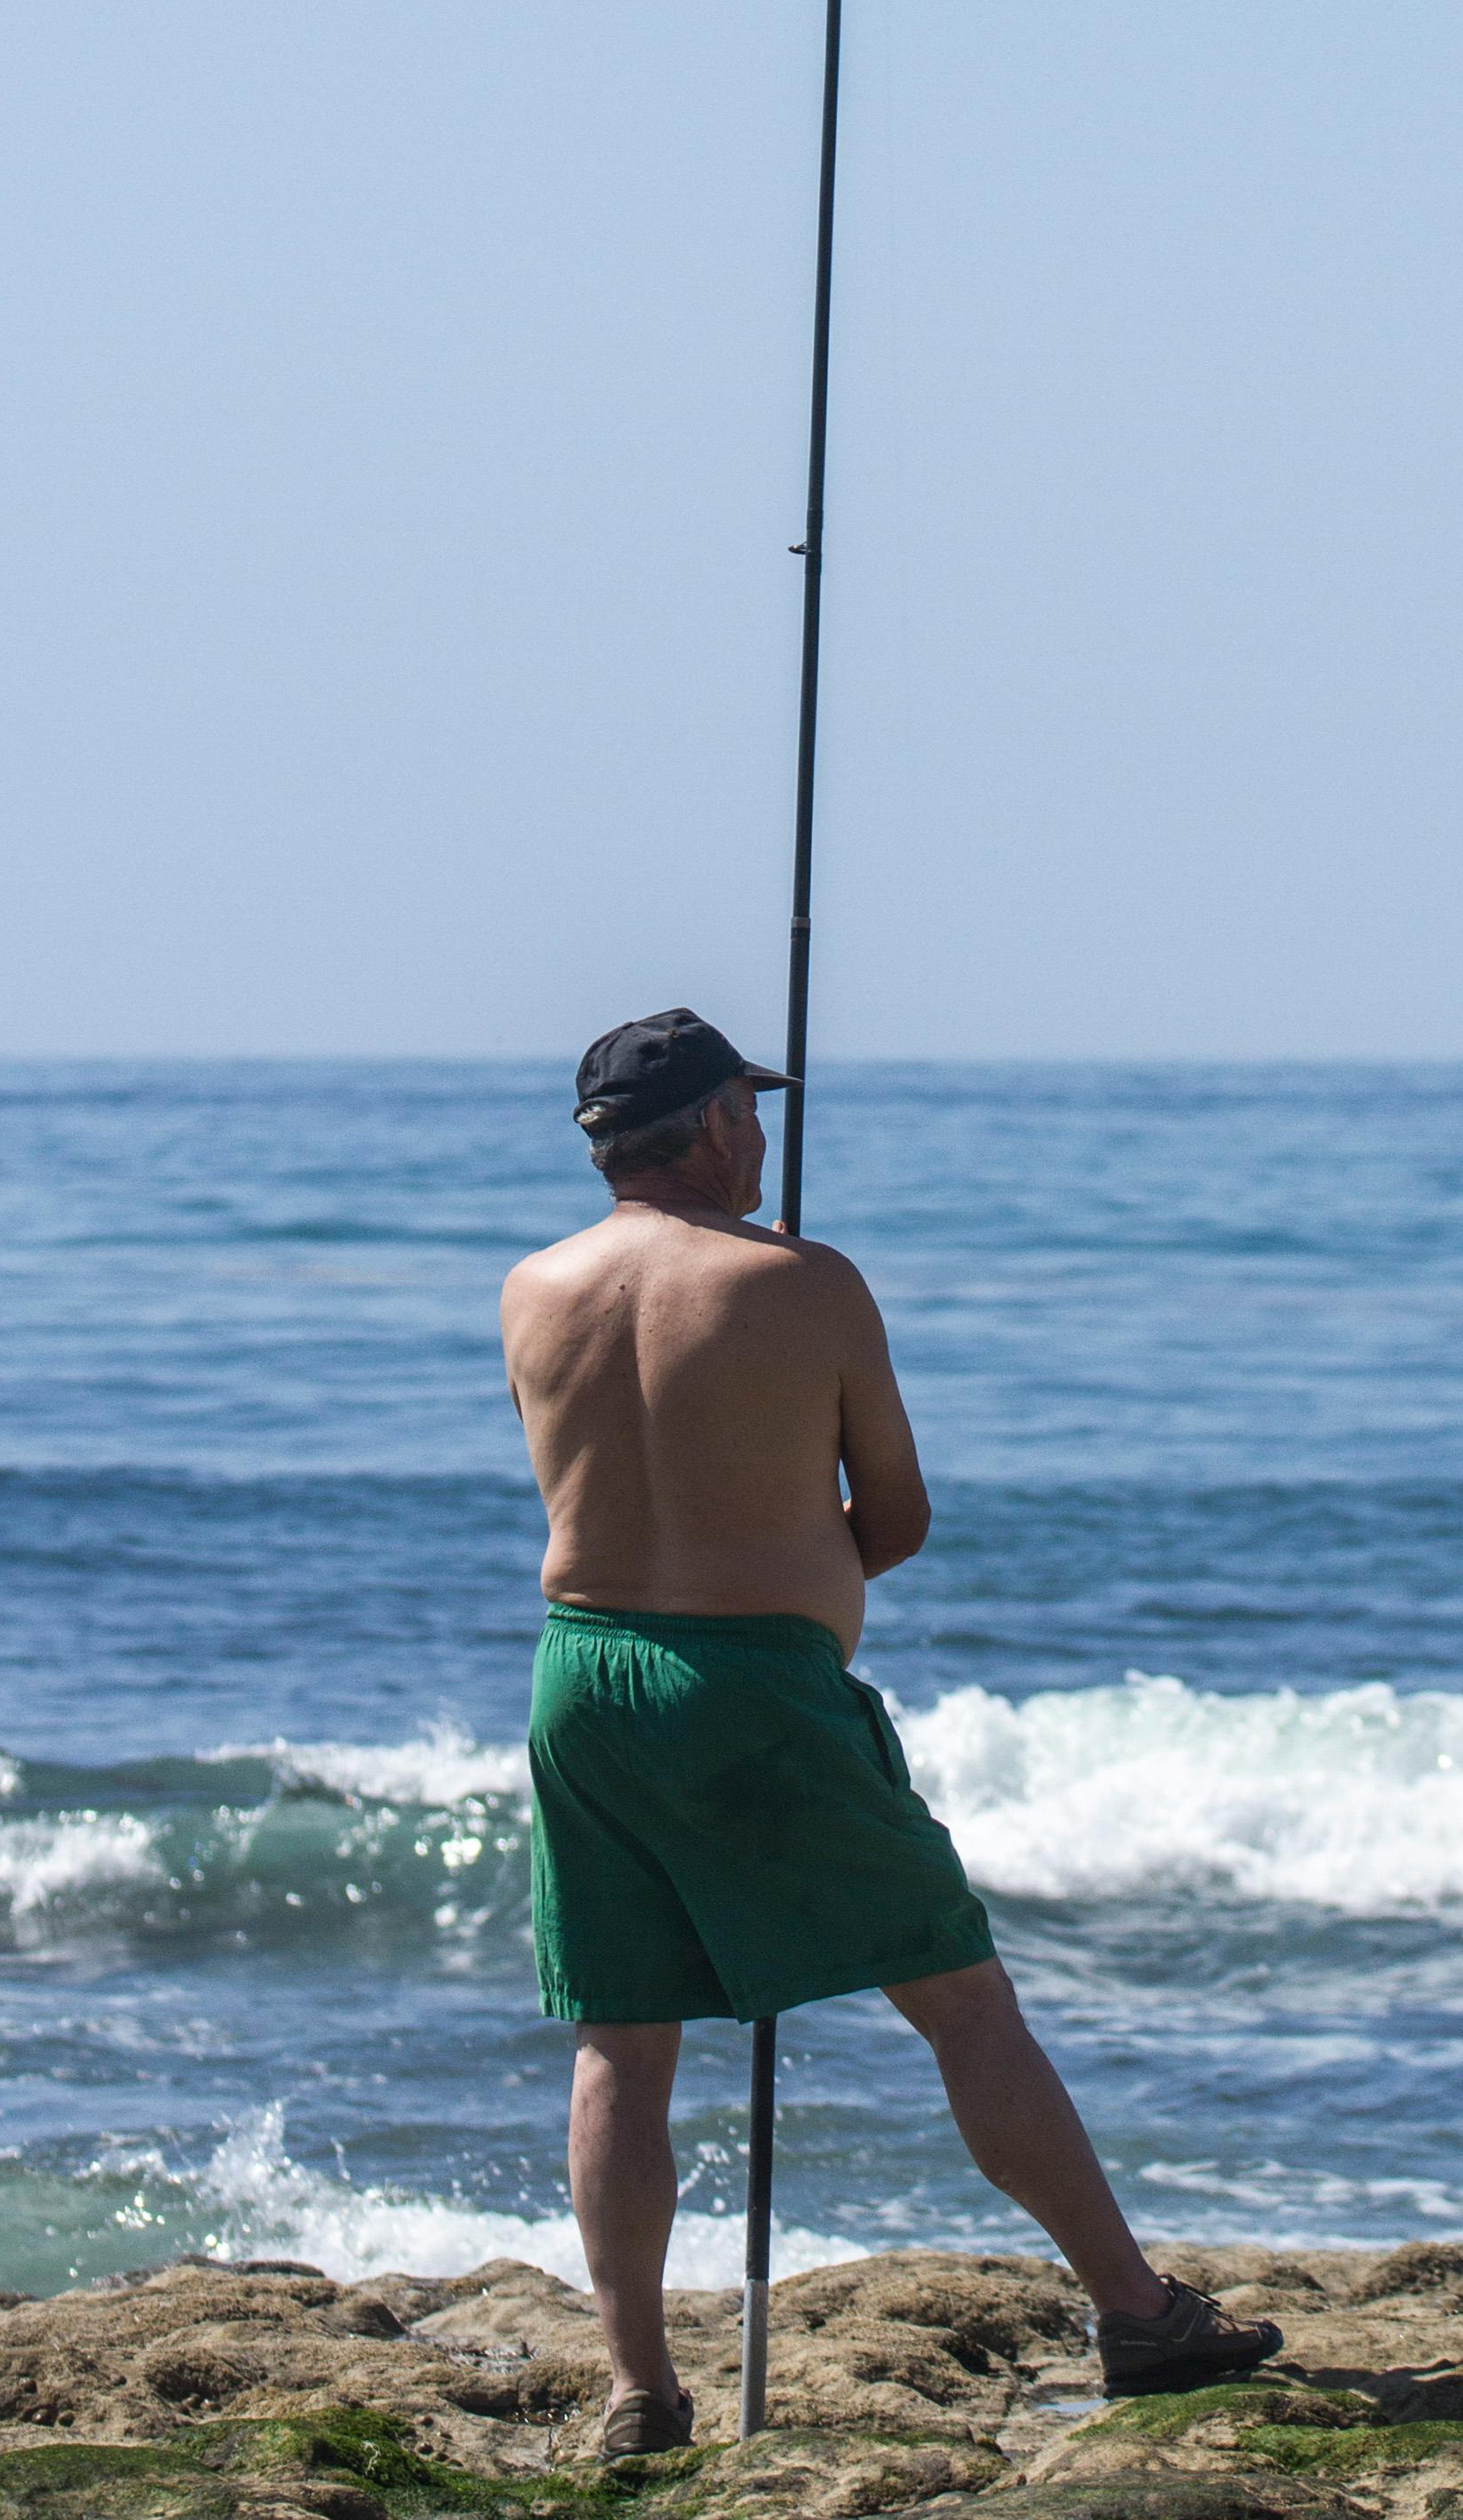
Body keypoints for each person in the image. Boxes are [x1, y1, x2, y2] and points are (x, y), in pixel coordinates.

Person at [501, 1005, 1282, 2456]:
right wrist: (790, 1570)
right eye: (750, 1104)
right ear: (720, 1122)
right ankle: (1136, 2312)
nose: (761, 1128)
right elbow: (898, 1517)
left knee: (621, 2042)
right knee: (962, 2001)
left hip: (580, 1677)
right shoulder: (808, 1282)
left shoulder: (533, 1288)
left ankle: (635, 2390)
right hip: (757, 1686)